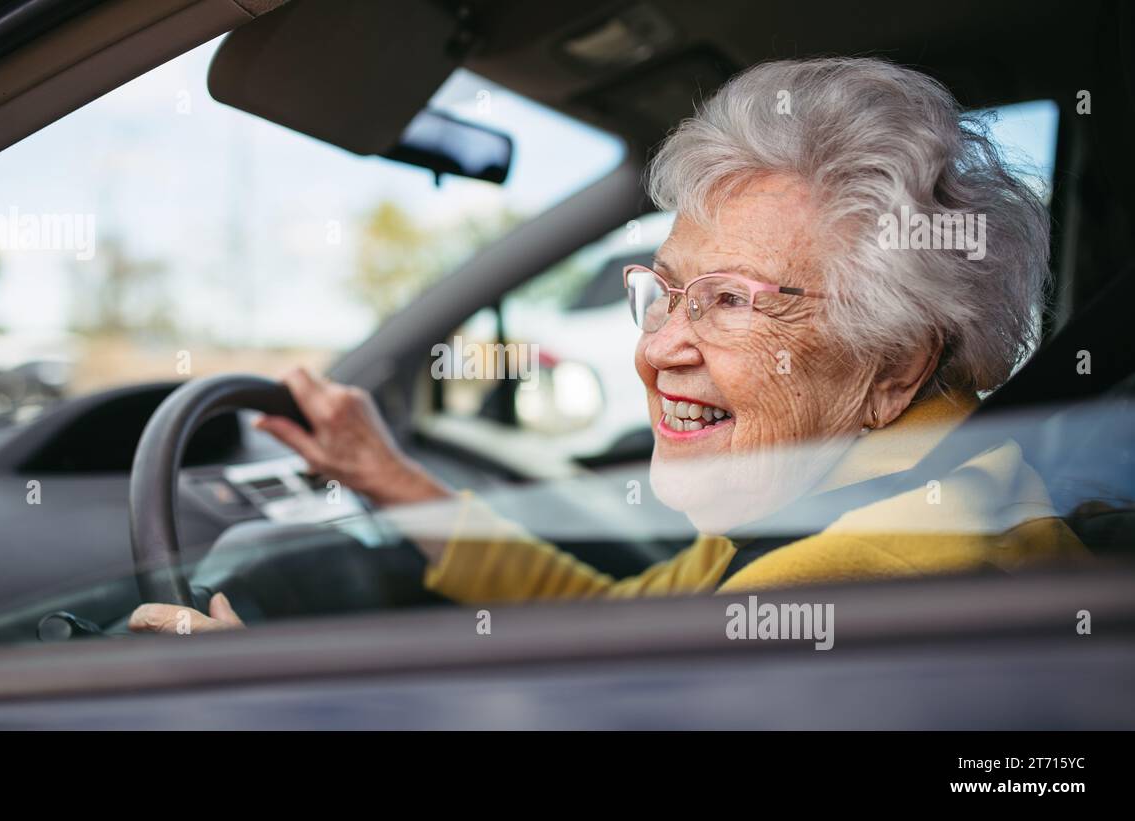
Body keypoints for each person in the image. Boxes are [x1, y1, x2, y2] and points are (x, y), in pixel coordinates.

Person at [131, 57, 1083, 634]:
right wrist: (400, 485)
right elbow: (610, 624)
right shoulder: (848, 481)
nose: (659, 348)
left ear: (897, 363)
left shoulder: (856, 578)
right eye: (663, 294)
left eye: (730, 302)